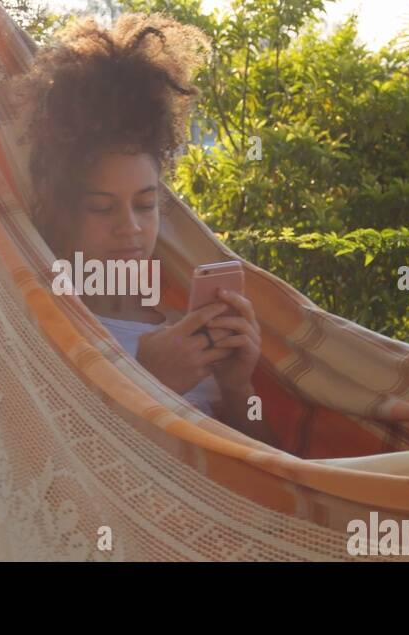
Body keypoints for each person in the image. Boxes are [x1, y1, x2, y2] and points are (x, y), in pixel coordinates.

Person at [15, 13, 270, 443]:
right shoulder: (49, 333)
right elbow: (48, 474)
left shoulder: (181, 328)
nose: (130, 228)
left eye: (146, 203)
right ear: (61, 208)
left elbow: (278, 474)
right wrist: (148, 384)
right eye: (101, 207)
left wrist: (238, 387)